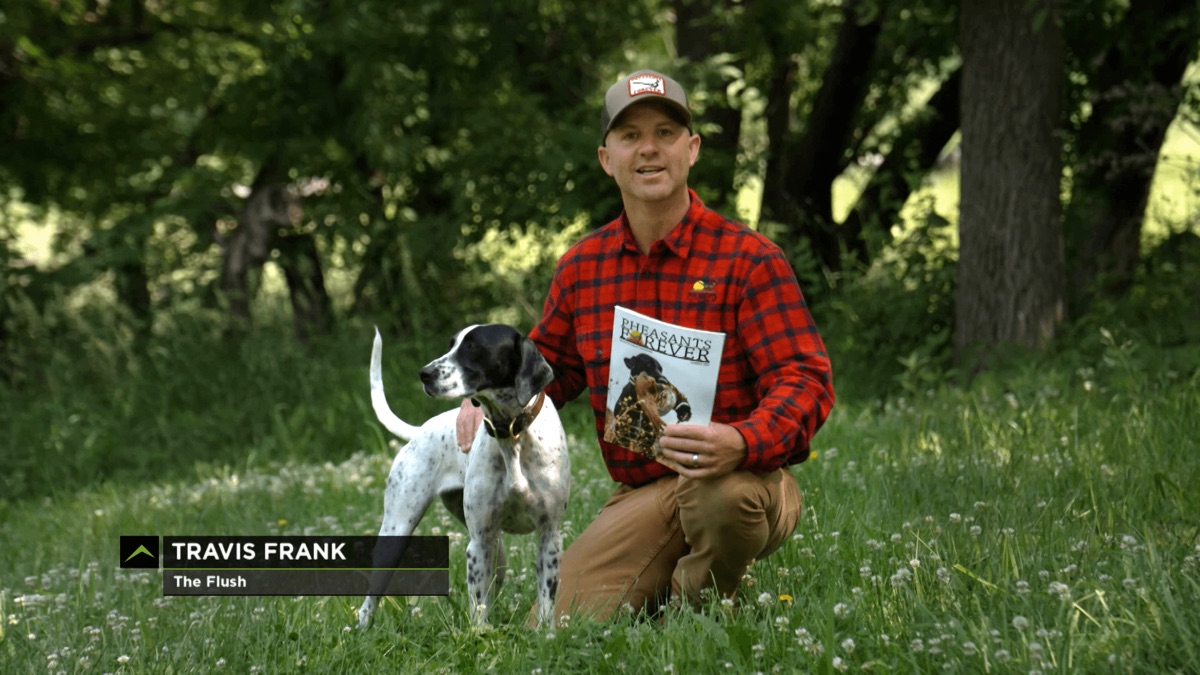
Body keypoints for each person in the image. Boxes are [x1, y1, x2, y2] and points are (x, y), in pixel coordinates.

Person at [456, 69, 834, 622]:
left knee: (719, 499)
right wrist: (483, 395)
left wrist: (741, 440)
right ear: (607, 158)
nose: (649, 149)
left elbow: (804, 379)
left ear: (692, 149)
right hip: (643, 492)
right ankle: (665, 579)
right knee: (557, 625)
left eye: (665, 132)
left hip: (743, 479)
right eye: (630, 136)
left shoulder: (750, 261)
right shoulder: (582, 270)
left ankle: (700, 608)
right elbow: (545, 372)